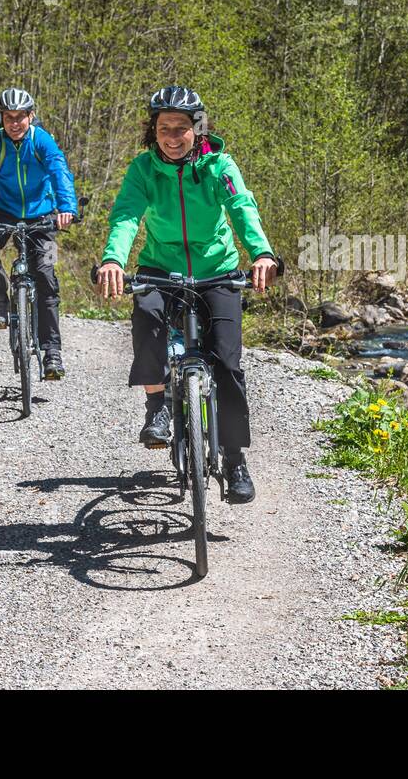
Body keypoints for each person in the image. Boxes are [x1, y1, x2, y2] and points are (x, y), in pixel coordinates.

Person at [95, 85, 279, 503]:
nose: (172, 136)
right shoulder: (142, 169)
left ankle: (234, 460)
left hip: (218, 271)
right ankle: (157, 403)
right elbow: (126, 216)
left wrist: (262, 253)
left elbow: (242, 209)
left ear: (197, 129)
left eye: (181, 128)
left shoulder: (219, 166)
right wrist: (112, 260)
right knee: (147, 316)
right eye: (164, 128)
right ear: (153, 131)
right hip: (161, 266)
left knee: (228, 363)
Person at [0, 87, 77, 380]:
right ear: (0, 117)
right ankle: (0, 298)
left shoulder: (42, 140)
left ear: (31, 116)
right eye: (8, 117)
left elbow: (58, 171)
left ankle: (52, 352)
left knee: (46, 274)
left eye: (20, 117)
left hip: (43, 213)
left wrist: (66, 207)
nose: (14, 123)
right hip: (3, 210)